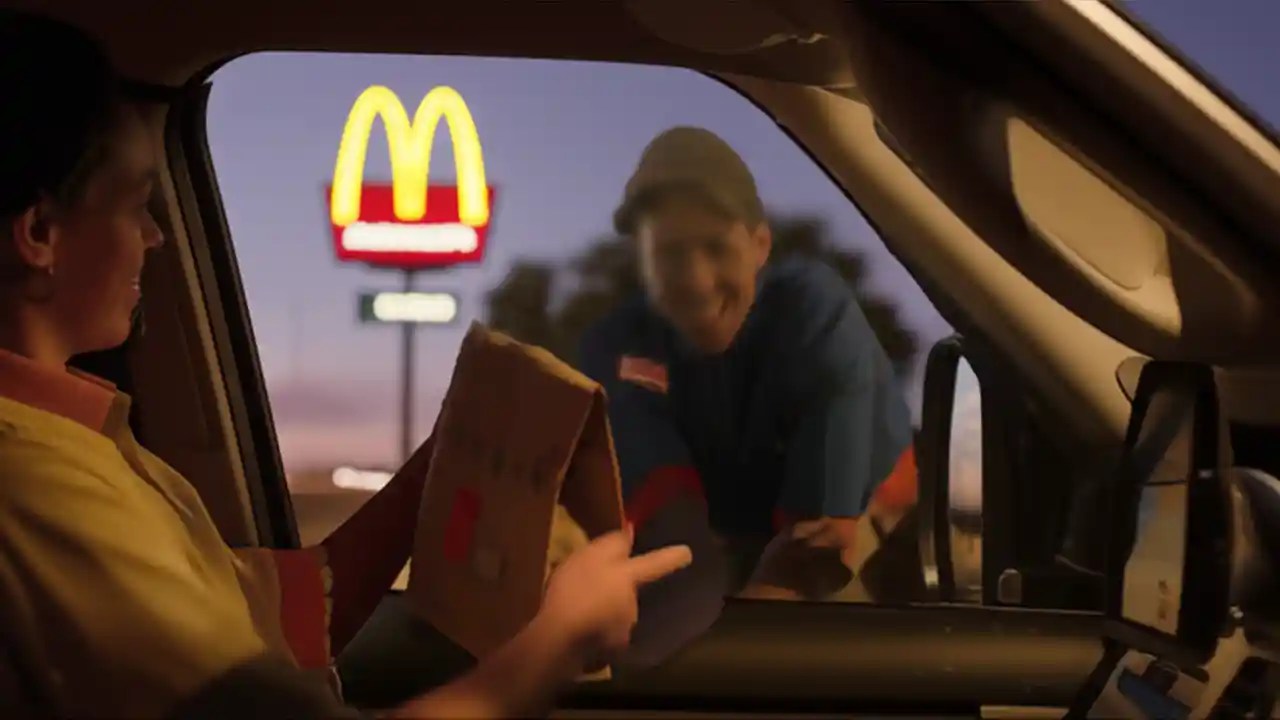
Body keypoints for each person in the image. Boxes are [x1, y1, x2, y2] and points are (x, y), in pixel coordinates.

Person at [0, 11, 690, 719]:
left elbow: (270, 619)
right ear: (41, 233)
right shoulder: (39, 483)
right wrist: (556, 643)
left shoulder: (80, 440)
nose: (156, 238)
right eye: (137, 204)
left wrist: (450, 462)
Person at [580, 127, 918, 605]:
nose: (697, 281)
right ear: (644, 263)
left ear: (760, 246)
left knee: (815, 634)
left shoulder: (814, 312)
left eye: (717, 247)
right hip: (735, 533)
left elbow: (818, 547)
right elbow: (664, 517)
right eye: (670, 254)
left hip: (873, 516)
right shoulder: (619, 343)